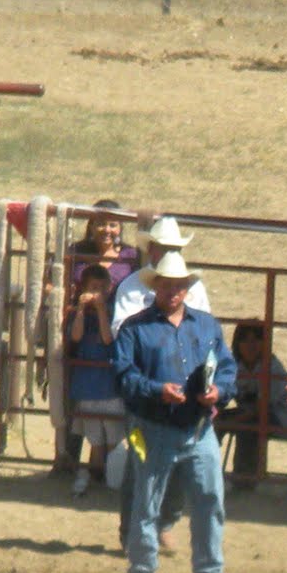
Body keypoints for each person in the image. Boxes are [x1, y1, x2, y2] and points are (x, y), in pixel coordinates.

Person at [112, 250, 241, 573]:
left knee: (209, 500)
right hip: (155, 426)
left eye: (178, 286)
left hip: (198, 428)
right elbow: (125, 377)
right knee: (147, 502)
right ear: (157, 288)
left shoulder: (206, 326)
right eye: (167, 286)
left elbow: (227, 368)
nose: (172, 292)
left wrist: (219, 391)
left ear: (186, 288)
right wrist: (157, 391)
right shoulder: (134, 329)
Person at [111, 215, 212, 550]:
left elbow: (206, 332)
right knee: (140, 463)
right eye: (163, 247)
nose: (167, 252)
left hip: (184, 391)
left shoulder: (191, 290)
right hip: (145, 390)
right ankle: (133, 532)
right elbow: (121, 335)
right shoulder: (131, 288)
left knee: (181, 462)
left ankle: (164, 522)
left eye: (173, 247)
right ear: (150, 249)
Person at [53, 201, 138, 477]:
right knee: (74, 400)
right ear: (91, 225)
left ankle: (102, 471)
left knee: (111, 409)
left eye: (113, 223)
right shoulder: (76, 253)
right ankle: (69, 461)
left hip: (113, 331)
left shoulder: (131, 256)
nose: (107, 229)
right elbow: (55, 281)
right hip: (79, 332)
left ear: (121, 226)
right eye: (101, 222)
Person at [65, 264, 125, 498]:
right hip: (88, 386)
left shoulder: (113, 311)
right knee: (95, 440)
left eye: (101, 288)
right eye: (92, 288)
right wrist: (80, 308)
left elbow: (108, 338)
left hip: (109, 386)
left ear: (109, 290)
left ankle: (114, 480)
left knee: (113, 438)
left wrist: (101, 311)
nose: (97, 293)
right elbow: (76, 336)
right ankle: (98, 478)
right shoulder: (77, 311)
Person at [216, 320, 287, 487]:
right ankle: (203, 470)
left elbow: (263, 407)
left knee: (248, 426)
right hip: (247, 412)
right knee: (214, 421)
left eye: (256, 340)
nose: (251, 346)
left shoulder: (272, 367)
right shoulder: (235, 366)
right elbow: (223, 395)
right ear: (237, 343)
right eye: (245, 340)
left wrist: (235, 420)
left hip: (277, 417)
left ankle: (244, 480)